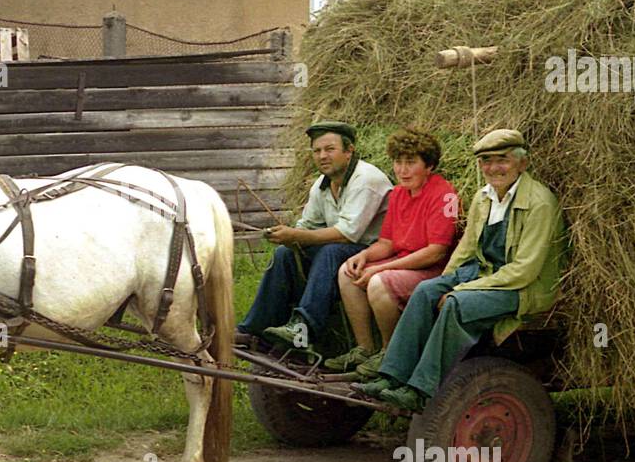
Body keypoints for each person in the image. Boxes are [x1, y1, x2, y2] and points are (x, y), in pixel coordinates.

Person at [353, 128, 567, 412]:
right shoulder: (484, 197)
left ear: (522, 163)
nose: (494, 168)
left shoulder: (539, 203)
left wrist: (461, 289)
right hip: (483, 273)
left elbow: (524, 270)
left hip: (521, 288)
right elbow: (465, 248)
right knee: (426, 291)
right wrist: (446, 280)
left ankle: (420, 389)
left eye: (502, 160)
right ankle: (392, 376)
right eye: (487, 161)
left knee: (456, 304)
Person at [237, 121, 392, 352]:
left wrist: (297, 234)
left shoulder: (367, 180)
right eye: (317, 151)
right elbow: (308, 225)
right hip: (344, 249)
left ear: (349, 152)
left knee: (331, 251)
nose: (322, 156)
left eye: (330, 149)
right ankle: (256, 329)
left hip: (375, 252)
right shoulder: (322, 184)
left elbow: (347, 235)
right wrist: (289, 236)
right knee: (284, 253)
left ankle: (304, 327)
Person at [325, 127, 458, 373]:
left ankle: (390, 354)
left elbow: (436, 252)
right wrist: (363, 256)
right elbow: (387, 243)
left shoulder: (444, 194)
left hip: (433, 269)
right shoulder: (398, 193)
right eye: (398, 162)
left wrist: (383, 267)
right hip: (404, 261)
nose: (402, 170)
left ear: (428, 166)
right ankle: (365, 348)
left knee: (378, 282)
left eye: (411, 162)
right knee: (347, 271)